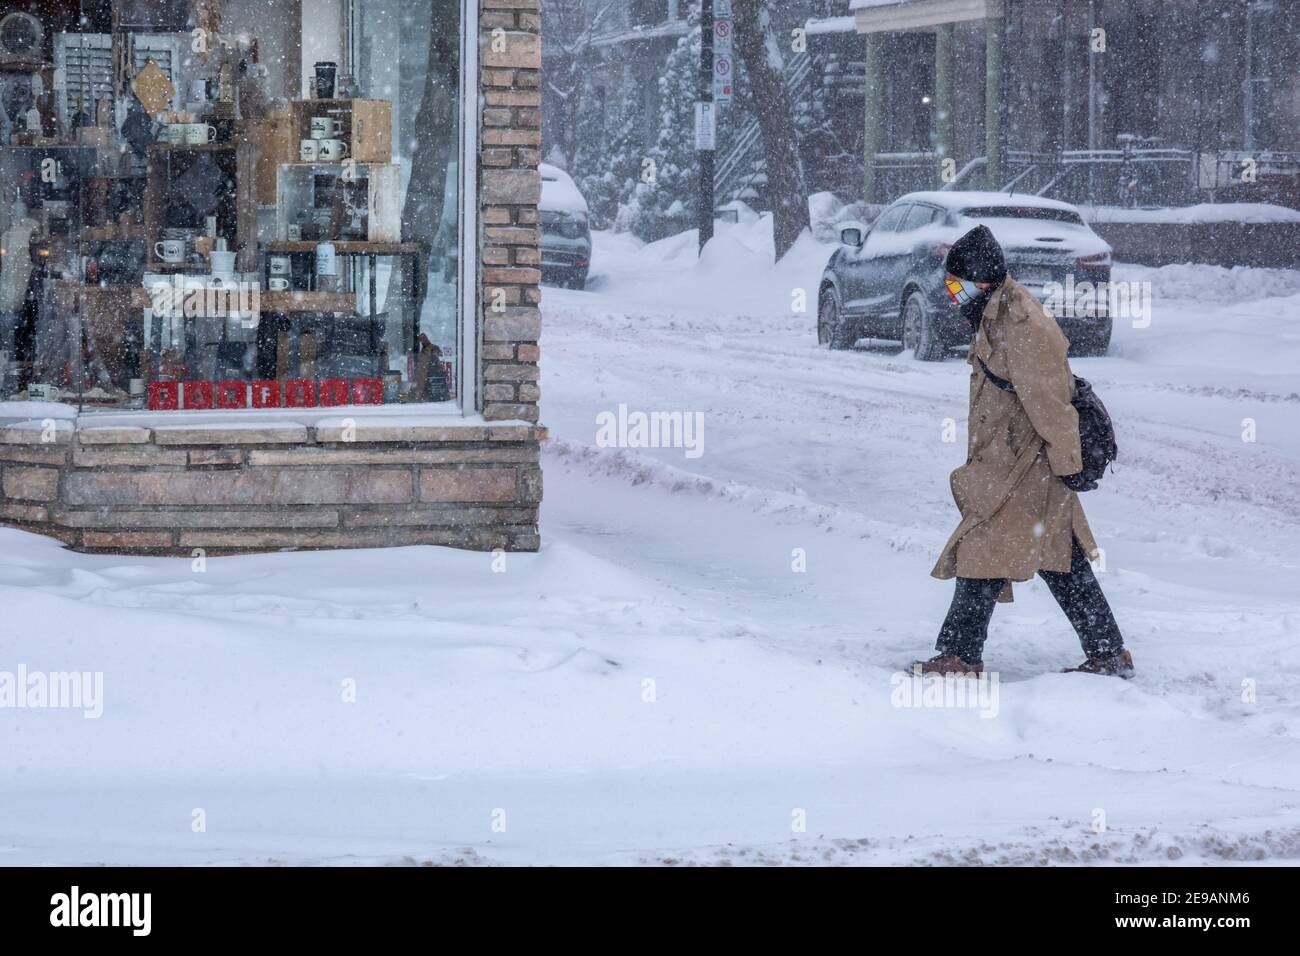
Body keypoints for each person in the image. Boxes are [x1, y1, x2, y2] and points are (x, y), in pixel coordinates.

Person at [917, 225, 1133, 678]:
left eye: (959, 285)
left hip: (1026, 465)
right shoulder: (995, 314)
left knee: (983, 546)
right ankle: (1108, 652)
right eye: (949, 286)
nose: (953, 295)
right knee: (1060, 557)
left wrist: (1069, 465)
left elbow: (1051, 402)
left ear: (984, 280)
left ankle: (959, 655)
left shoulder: (1023, 323)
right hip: (1011, 461)